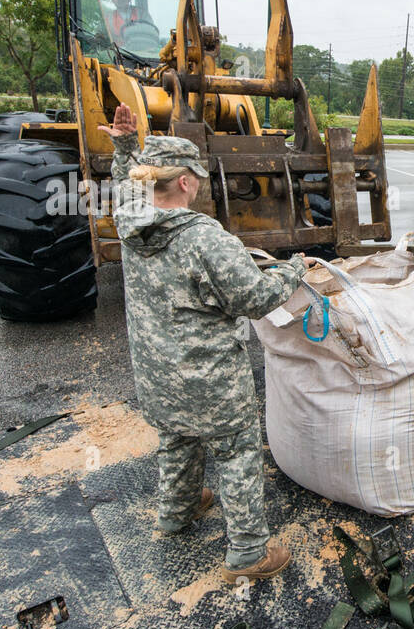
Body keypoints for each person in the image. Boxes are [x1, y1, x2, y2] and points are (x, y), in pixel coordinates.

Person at [100, 103, 306, 582]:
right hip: (210, 380)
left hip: (156, 376)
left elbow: (125, 181)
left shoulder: (130, 218)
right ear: (186, 182)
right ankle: (248, 554)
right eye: (197, 178)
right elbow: (256, 299)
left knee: (176, 437)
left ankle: (178, 511)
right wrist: (293, 270)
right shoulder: (205, 239)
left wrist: (125, 146)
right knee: (236, 452)